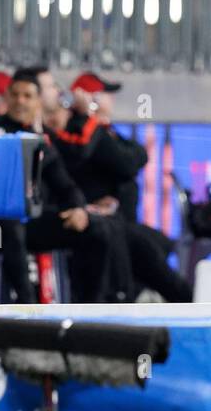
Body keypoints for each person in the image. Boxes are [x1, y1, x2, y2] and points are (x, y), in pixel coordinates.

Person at [0, 68, 132, 303]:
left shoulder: (42, 140)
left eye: (27, 96)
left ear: (38, 101)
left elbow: (65, 185)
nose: (20, 101)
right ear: (7, 97)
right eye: (15, 94)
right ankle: (27, 307)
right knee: (11, 227)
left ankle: (92, 307)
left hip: (33, 225)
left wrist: (78, 209)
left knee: (98, 229)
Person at [53, 73, 192, 301]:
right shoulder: (84, 130)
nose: (112, 100)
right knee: (150, 255)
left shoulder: (101, 130)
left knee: (160, 244)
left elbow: (139, 153)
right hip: (107, 223)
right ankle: (185, 302)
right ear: (92, 99)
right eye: (106, 94)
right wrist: (89, 117)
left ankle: (140, 294)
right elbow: (126, 162)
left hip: (119, 222)